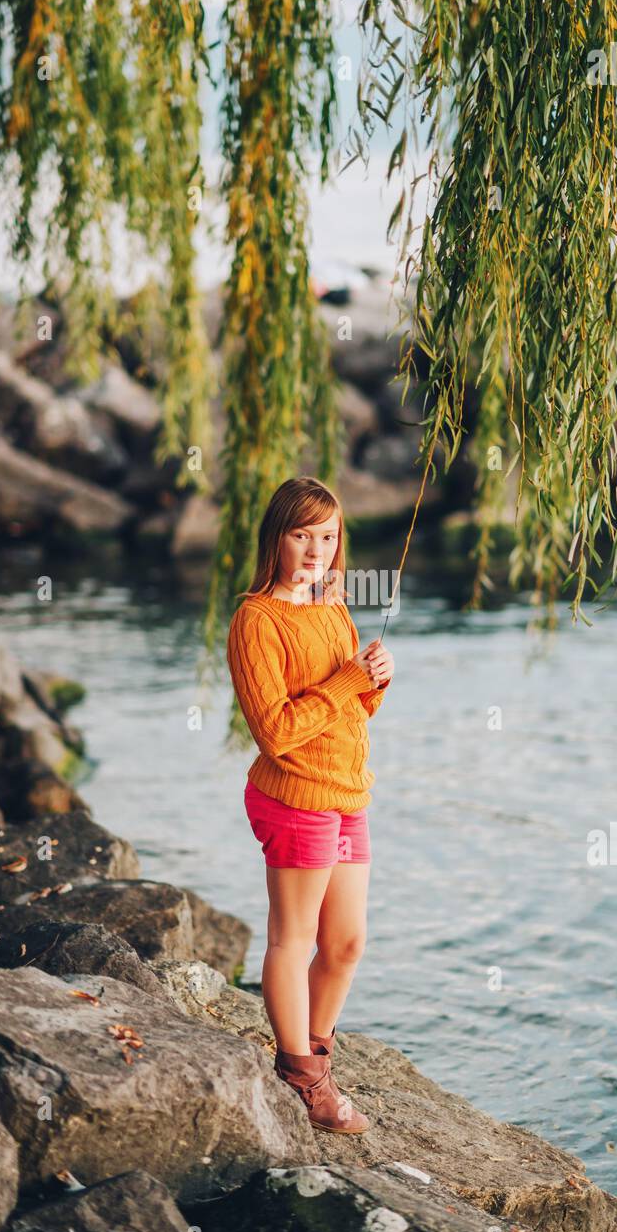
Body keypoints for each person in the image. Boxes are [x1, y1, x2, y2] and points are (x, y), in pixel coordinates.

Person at [226, 476, 394, 1134]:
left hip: (347, 793)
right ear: (277, 538)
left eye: (327, 536)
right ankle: (301, 1075)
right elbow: (274, 729)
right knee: (292, 940)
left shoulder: (332, 605)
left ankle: (316, 1057)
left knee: (346, 943)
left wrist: (373, 679)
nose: (315, 549)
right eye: (302, 535)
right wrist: (349, 679)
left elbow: (352, 705)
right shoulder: (256, 620)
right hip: (294, 797)